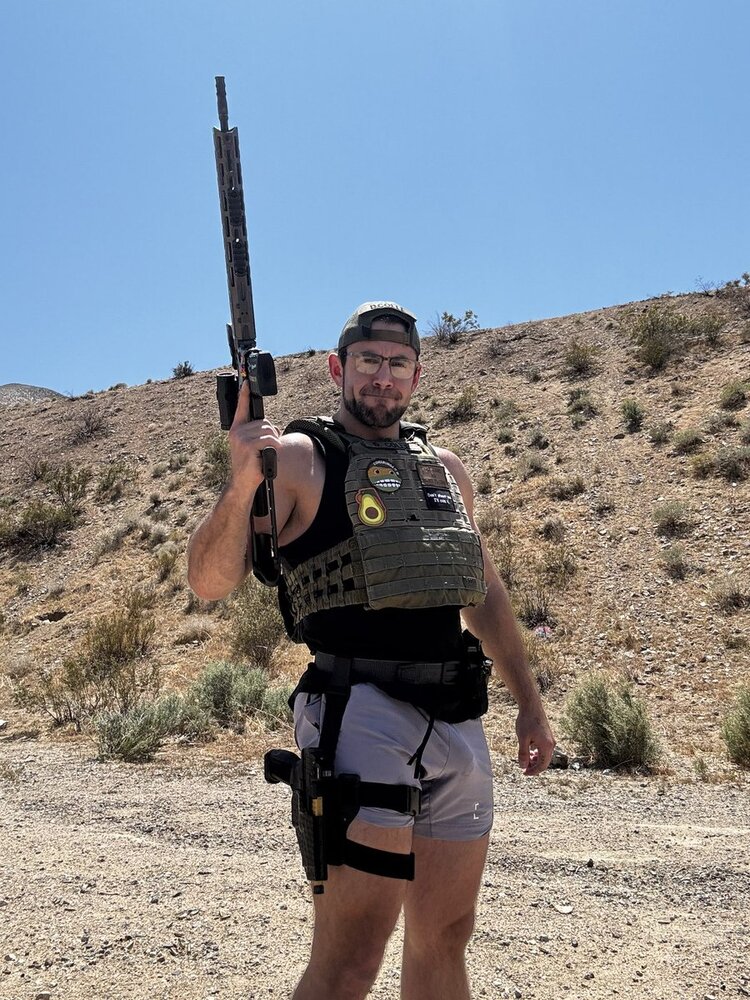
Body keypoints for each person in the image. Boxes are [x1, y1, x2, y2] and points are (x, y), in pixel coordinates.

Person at [187, 301, 555, 1000]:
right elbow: (208, 581)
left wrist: (530, 705)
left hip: (455, 717)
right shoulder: (300, 459)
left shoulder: (444, 469)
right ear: (337, 368)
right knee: (352, 958)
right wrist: (241, 483)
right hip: (360, 715)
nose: (382, 378)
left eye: (397, 364)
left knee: (445, 938)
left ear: (416, 376)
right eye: (367, 362)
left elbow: (481, 591)